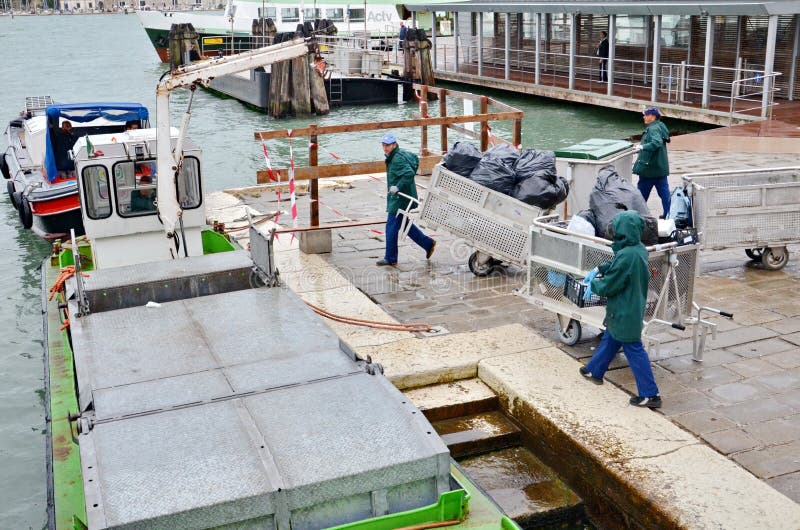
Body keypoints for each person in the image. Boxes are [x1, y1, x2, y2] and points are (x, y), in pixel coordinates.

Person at [579, 210, 662, 409]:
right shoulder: (636, 249)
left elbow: (612, 283)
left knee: (633, 348)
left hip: (625, 309)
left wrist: (594, 286)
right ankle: (594, 370)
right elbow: (617, 264)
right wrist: (600, 268)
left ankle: (650, 394)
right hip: (629, 306)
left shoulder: (628, 255)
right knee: (612, 337)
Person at [377, 133, 435, 266]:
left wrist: (397, 187)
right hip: (402, 196)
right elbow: (413, 162)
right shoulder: (397, 155)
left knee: (391, 227)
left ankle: (391, 258)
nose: (385, 148)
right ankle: (428, 243)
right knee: (404, 224)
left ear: (394, 144)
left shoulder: (397, 159)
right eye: (384, 145)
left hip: (400, 197)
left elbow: (409, 173)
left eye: (388, 145)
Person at [633, 107, 671, 218]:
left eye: (646, 115)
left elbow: (657, 142)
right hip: (660, 169)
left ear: (653, 116)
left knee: (640, 197)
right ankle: (668, 215)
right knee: (665, 195)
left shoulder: (653, 129)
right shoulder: (661, 126)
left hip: (648, 170)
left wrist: (642, 147)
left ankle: (637, 217)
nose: (643, 117)